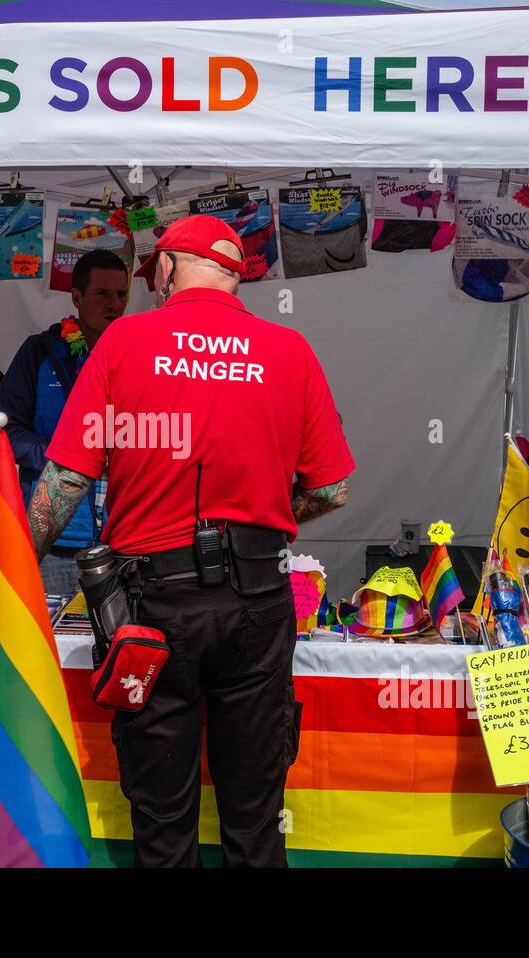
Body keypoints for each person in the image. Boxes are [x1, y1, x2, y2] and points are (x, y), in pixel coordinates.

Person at [27, 215, 355, 867]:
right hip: (259, 599)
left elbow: (65, 481)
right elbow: (333, 490)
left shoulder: (123, 342)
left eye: (154, 273)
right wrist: (267, 516)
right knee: (256, 817)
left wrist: (7, 562)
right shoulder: (290, 350)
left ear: (171, 267)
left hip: (153, 608)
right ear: (234, 274)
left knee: (163, 820)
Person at [0, 249, 130, 595]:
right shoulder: (39, 352)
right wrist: (70, 460)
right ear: (77, 297)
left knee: (118, 644)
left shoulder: (139, 353)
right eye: (102, 293)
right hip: (58, 540)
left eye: (121, 294)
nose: (114, 303)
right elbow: (7, 434)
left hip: (124, 538)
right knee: (57, 644)